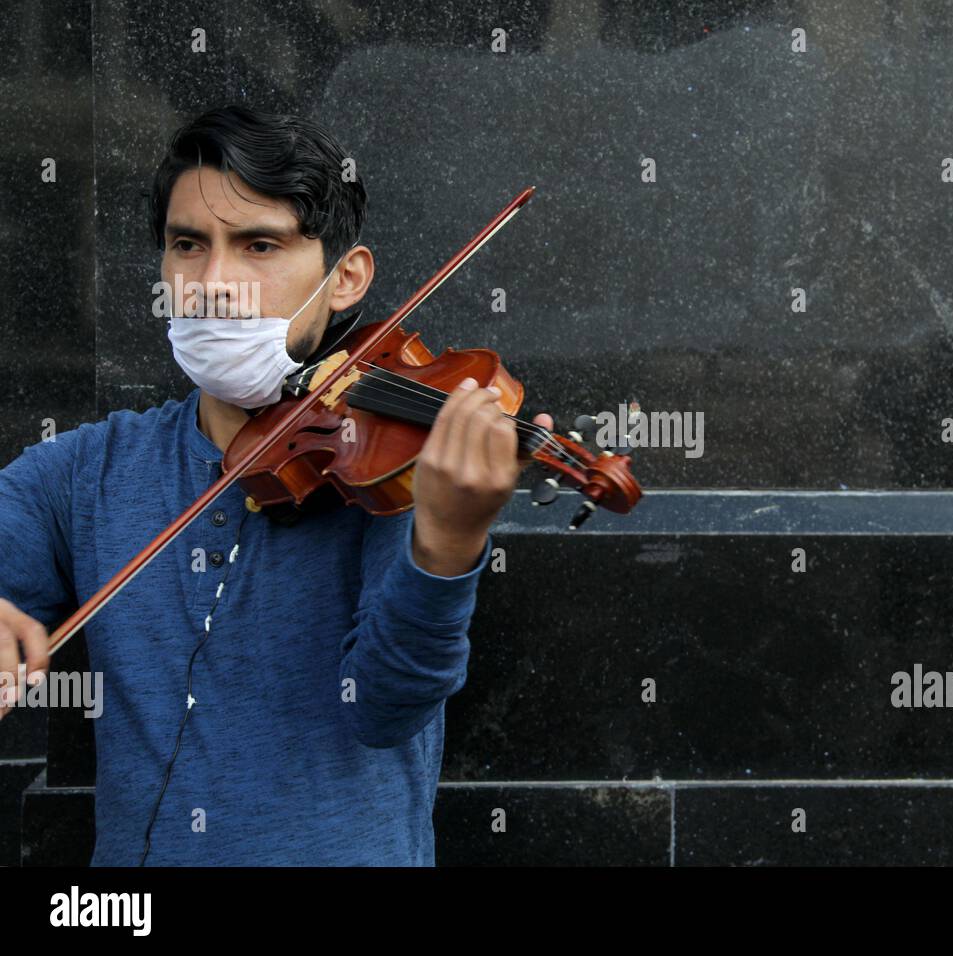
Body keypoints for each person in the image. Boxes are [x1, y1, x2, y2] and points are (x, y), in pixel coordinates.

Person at [0, 104, 549, 865]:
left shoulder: (395, 472)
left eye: (259, 245)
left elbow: (386, 709)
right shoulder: (82, 471)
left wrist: (447, 542)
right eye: (188, 245)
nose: (215, 284)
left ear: (345, 278)